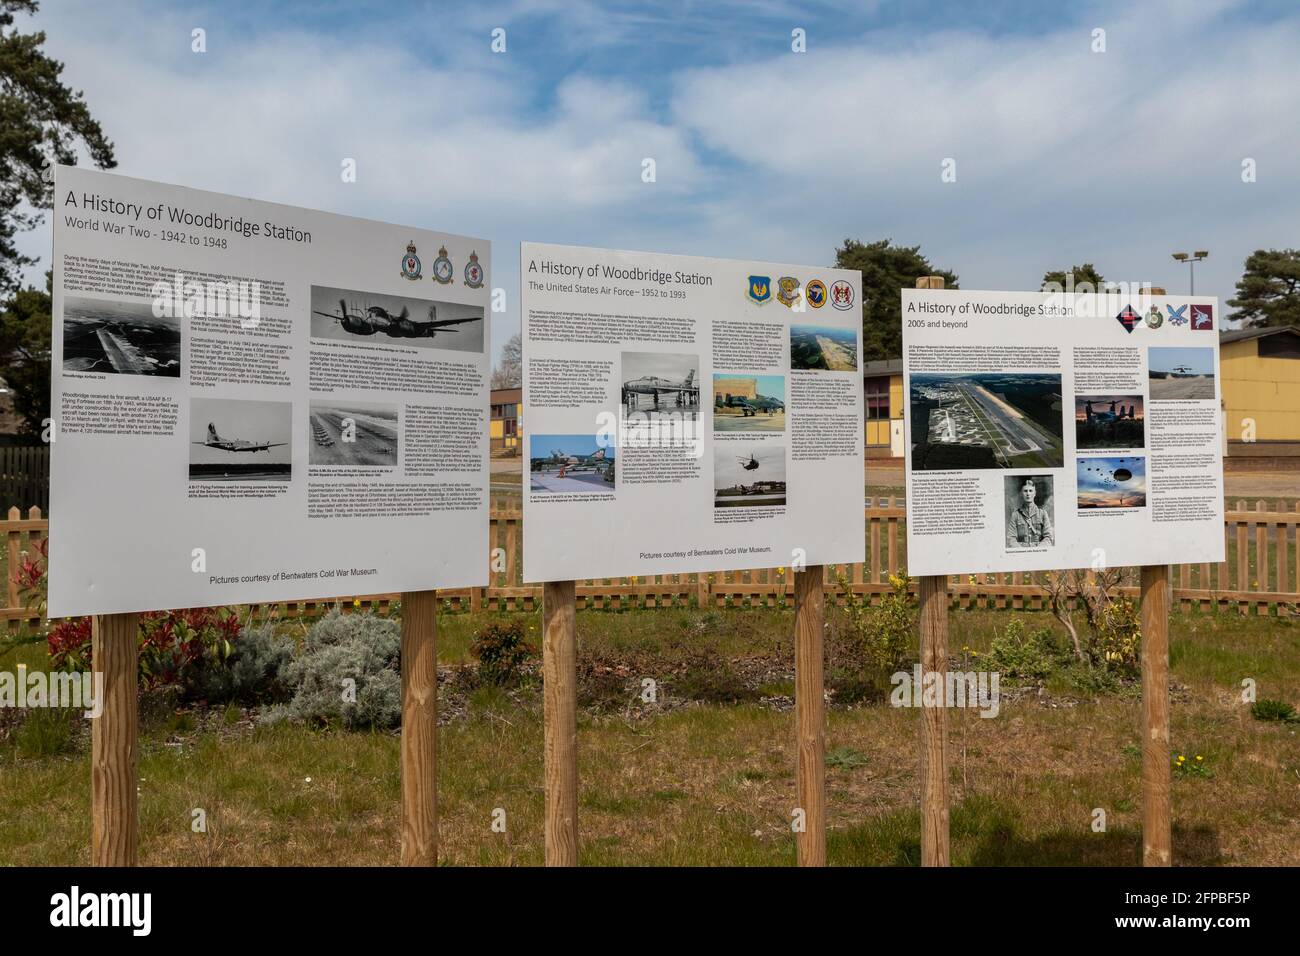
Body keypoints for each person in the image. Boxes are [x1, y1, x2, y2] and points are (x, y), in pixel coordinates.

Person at [1007, 478, 1054, 548]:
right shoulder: (1015, 515)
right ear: (1021, 493)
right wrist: (1022, 551)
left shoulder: (1043, 514)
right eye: (1025, 491)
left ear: (1034, 493)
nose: (1028, 494)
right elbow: (1011, 538)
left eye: (1030, 491)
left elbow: (1048, 537)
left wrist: (1037, 550)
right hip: (1021, 553)